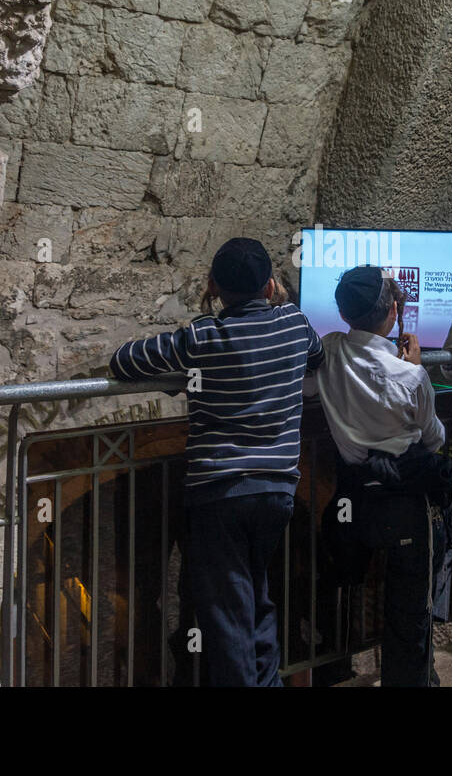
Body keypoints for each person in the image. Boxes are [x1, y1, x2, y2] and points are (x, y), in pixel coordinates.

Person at [109, 237, 323, 686]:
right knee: (256, 598)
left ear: (214, 286)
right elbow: (317, 356)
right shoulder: (296, 324)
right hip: (278, 491)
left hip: (220, 495)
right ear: (270, 285)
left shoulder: (202, 337)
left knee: (226, 615)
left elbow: (124, 361)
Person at [309, 266, 452, 686]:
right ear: (394, 311)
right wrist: (410, 366)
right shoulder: (410, 376)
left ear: (342, 311)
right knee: (410, 608)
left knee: (344, 589)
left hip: (353, 496)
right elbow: (433, 437)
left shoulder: (330, 350)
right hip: (406, 502)